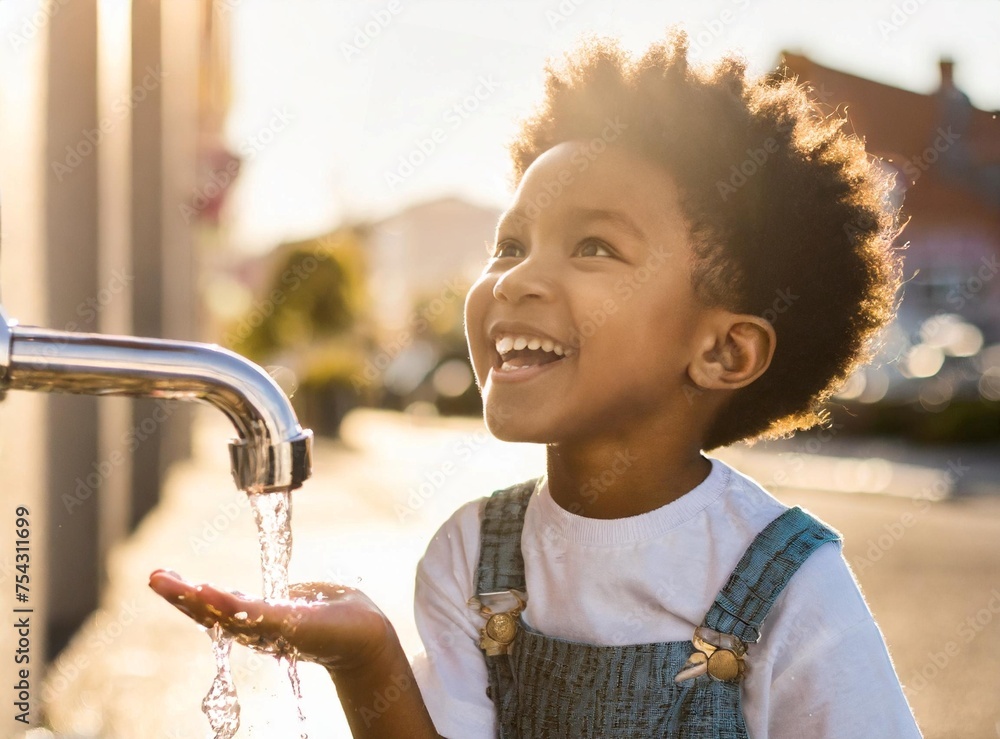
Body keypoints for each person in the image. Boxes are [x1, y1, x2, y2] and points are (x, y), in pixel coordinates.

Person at [149, 31, 923, 738]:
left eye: (593, 246)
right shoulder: (474, 559)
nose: (518, 278)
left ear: (723, 350)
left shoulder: (789, 582)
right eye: (509, 243)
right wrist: (367, 659)